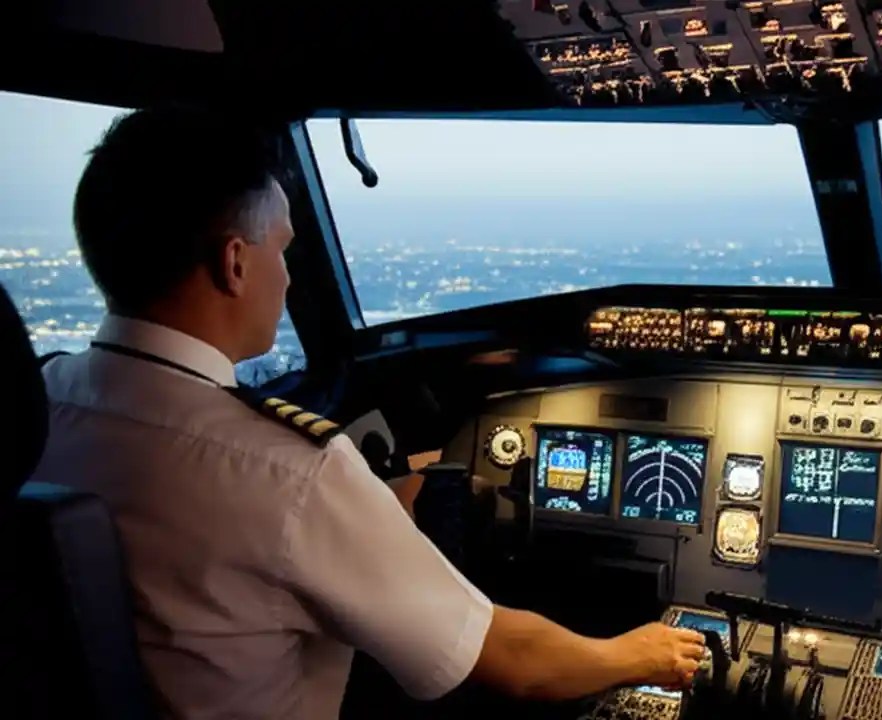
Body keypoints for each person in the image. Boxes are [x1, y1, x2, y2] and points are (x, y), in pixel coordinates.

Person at [28, 107, 705, 718]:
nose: (289, 277)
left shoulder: (38, 403)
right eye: (284, 250)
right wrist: (641, 654)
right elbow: (512, 662)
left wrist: (375, 510)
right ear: (235, 264)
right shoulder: (288, 472)